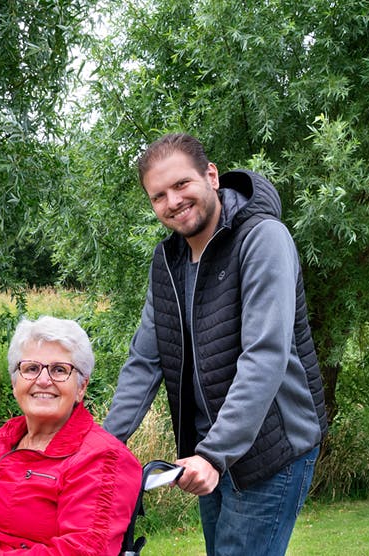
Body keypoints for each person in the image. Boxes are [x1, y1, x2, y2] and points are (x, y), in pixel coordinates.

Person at [102, 133, 328, 556]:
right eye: (159, 196)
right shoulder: (166, 260)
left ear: (211, 175)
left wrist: (213, 454)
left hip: (271, 446)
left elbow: (265, 356)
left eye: (182, 184)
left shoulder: (263, 239)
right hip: (209, 449)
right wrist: (102, 447)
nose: (173, 201)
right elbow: (145, 362)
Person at [0, 316, 142, 556]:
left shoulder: (102, 458)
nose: (43, 380)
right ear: (14, 382)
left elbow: (82, 551)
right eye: (31, 368)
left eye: (59, 370)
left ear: (81, 387)